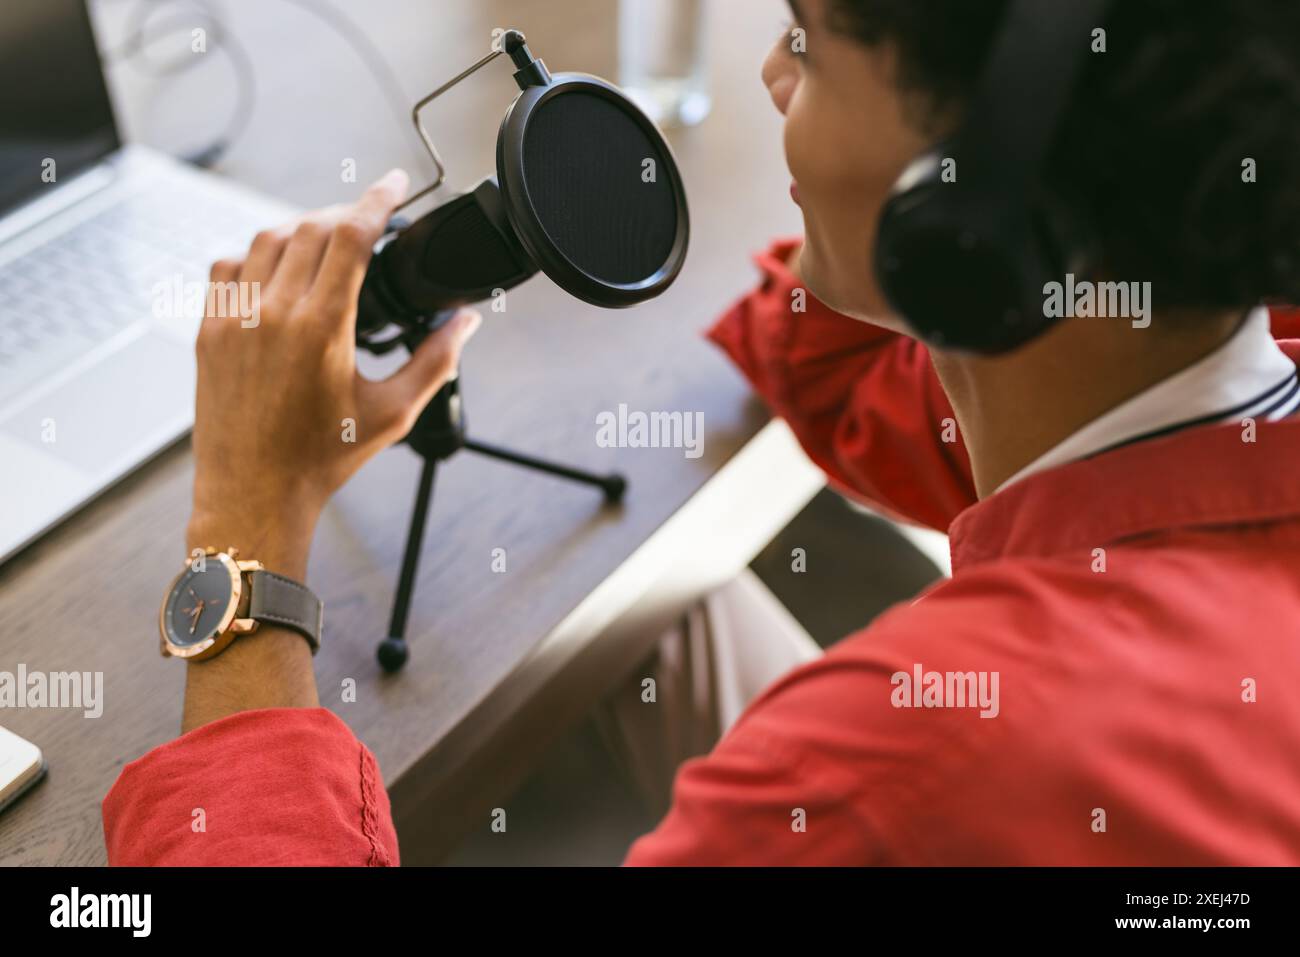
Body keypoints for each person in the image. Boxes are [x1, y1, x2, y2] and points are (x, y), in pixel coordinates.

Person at [103, 0, 1300, 865]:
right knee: (649, 622)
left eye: (808, 44)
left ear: (968, 204)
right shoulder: (1189, 357)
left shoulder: (884, 775)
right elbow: (833, 382)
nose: (773, 80)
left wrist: (247, 524)